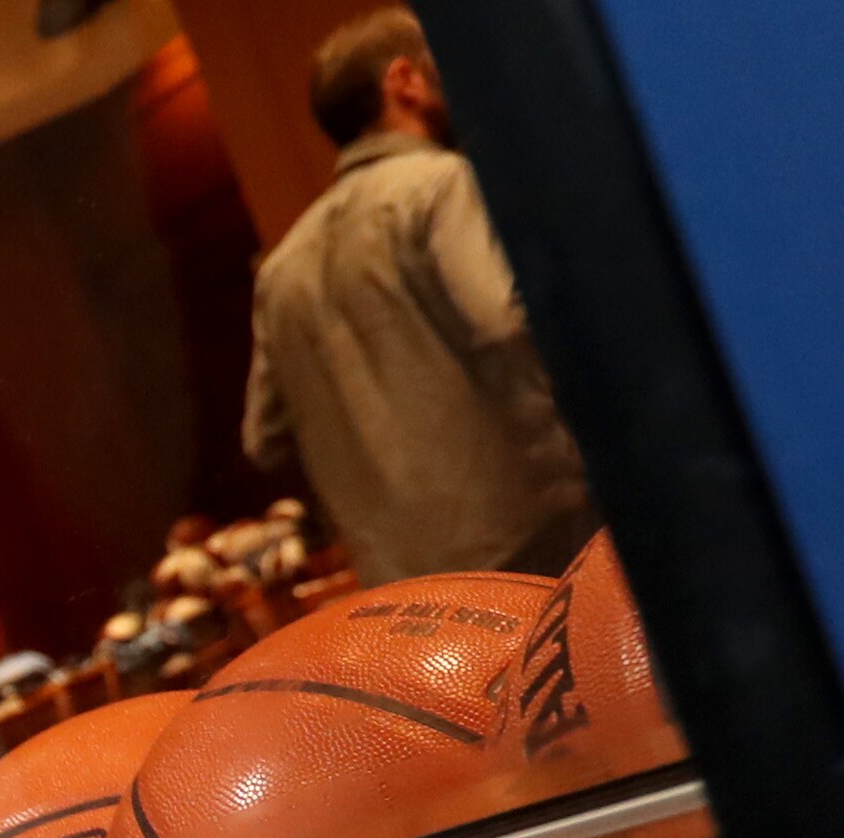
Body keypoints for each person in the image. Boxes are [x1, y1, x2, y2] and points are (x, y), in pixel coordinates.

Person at [239, 8, 594, 581]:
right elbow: (504, 320)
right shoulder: (437, 184)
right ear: (404, 79)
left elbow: (263, 438)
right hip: (528, 536)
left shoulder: (280, 270)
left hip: (398, 585)